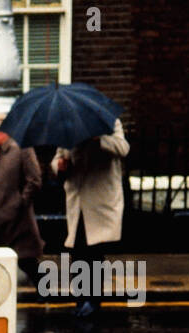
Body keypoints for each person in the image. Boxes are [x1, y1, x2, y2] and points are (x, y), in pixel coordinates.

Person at [51, 117, 130, 317]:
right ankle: (80, 298)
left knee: (94, 253)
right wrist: (58, 165)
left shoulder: (111, 124)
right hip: (77, 203)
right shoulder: (68, 129)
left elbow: (123, 148)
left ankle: (93, 301)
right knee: (77, 253)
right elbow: (58, 157)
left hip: (99, 202)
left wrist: (99, 139)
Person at [0, 113, 44, 291]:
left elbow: (34, 180)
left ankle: (44, 288)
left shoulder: (22, 148)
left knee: (26, 259)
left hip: (17, 215)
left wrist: (21, 202)